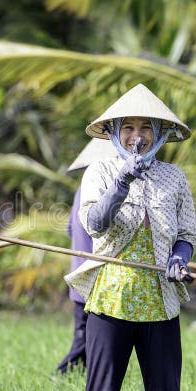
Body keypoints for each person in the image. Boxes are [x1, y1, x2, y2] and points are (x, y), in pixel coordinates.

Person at [65, 83, 196, 391]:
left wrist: (179, 259)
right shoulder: (101, 172)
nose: (136, 136)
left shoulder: (174, 178)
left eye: (144, 128)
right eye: (128, 127)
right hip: (111, 300)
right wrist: (122, 181)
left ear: (159, 133)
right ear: (113, 133)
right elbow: (95, 223)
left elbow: (186, 234)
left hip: (160, 301)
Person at [54, 138, 116, 376]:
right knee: (85, 338)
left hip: (80, 274)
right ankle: (60, 376)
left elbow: (70, 228)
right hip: (92, 278)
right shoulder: (105, 189)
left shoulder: (83, 187)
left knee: (88, 336)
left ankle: (86, 377)